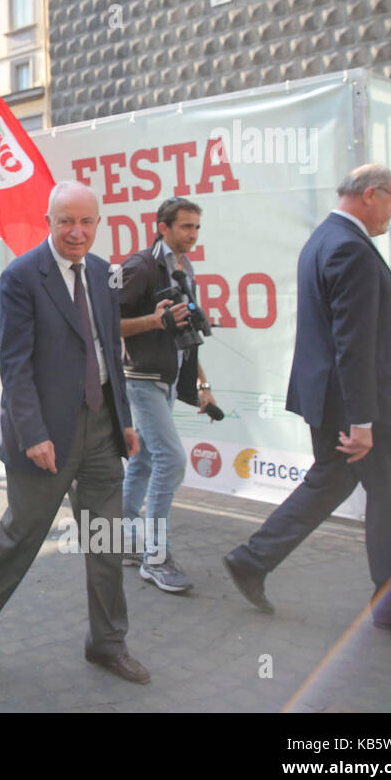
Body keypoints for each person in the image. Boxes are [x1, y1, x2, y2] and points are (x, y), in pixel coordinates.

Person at [225, 164, 391, 641]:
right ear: (371, 195)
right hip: (365, 406)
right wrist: (362, 420)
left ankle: (252, 558)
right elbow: (352, 342)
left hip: (339, 400)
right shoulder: (350, 248)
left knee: (332, 480)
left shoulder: (326, 238)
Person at [0, 182, 147, 684]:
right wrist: (33, 434)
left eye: (86, 222)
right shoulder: (20, 276)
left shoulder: (102, 273)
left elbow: (107, 354)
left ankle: (107, 643)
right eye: (66, 221)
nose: (76, 232)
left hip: (100, 430)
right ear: (49, 221)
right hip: (44, 435)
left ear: (98, 223)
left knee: (106, 538)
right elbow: (14, 366)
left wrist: (123, 420)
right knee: (22, 536)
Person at [116, 197, 219, 592]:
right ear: (162, 227)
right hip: (140, 379)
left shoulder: (184, 268)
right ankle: (155, 557)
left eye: (196, 227)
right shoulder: (140, 266)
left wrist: (202, 385)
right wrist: (155, 320)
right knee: (171, 460)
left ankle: (124, 542)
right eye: (185, 227)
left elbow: (185, 333)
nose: (192, 235)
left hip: (169, 379)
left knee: (143, 462)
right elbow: (109, 324)